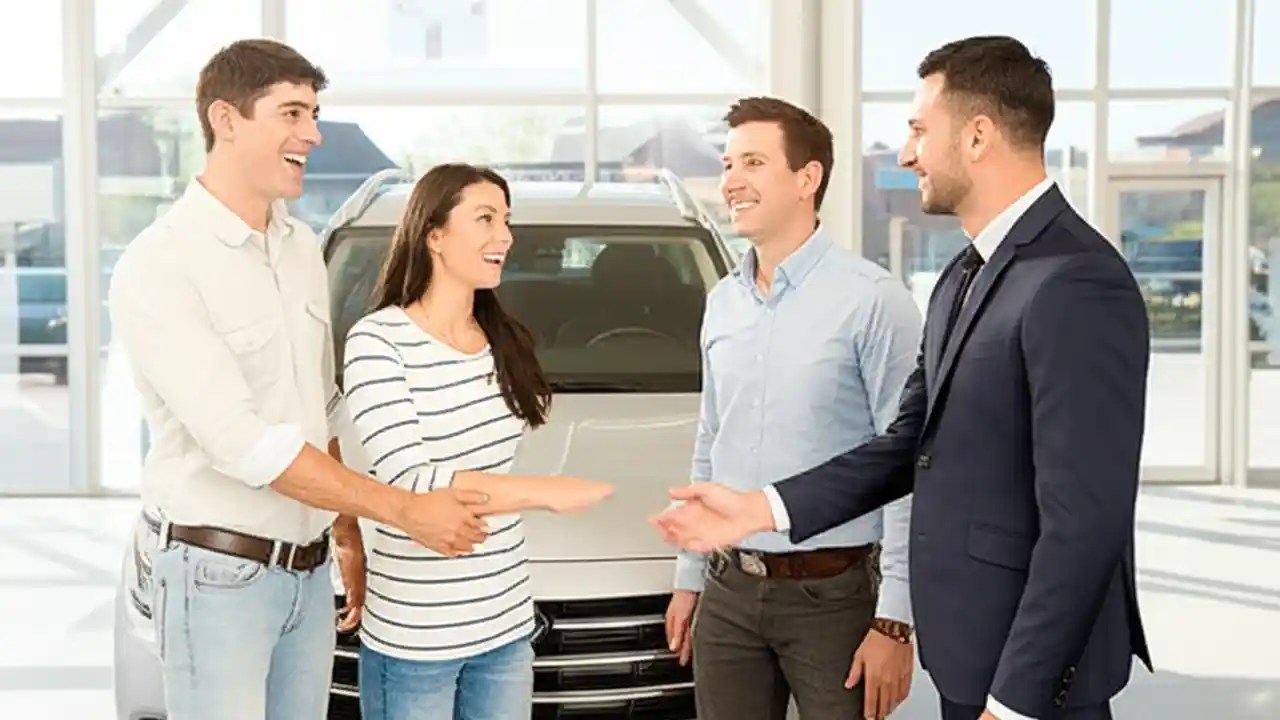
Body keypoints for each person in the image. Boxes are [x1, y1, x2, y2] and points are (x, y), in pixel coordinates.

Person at [652, 35, 1153, 720]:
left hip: (1031, 683)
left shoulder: (1077, 281)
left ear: (977, 136)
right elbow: (906, 446)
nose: (909, 152)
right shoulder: (961, 279)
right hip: (972, 655)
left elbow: (1086, 523)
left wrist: (1013, 703)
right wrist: (763, 508)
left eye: (920, 129)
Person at [108, 40, 495, 719]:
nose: (312, 134)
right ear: (226, 119)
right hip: (217, 575)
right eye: (292, 113)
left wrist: (346, 533)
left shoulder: (297, 249)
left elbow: (321, 409)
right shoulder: (161, 264)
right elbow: (246, 446)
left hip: (307, 573)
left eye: (313, 113)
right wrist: (403, 511)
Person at [664, 96, 920, 720]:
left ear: (808, 179)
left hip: (832, 598)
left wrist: (896, 622)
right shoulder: (722, 302)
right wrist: (689, 574)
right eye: (728, 163)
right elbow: (711, 440)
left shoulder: (873, 301)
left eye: (753, 162)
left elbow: (911, 463)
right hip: (728, 589)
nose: (730, 181)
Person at [337, 163, 613, 720]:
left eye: (506, 220)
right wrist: (547, 491)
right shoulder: (379, 341)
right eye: (485, 218)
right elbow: (413, 481)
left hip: (505, 625)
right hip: (416, 634)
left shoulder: (501, 340)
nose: (505, 236)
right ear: (433, 234)